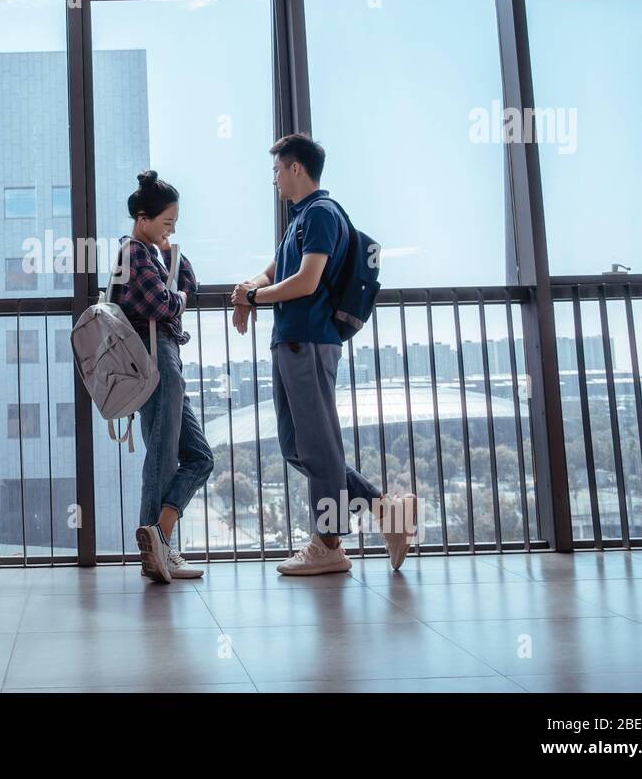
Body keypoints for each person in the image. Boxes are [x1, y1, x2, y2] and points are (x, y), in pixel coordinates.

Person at [231, 134, 417, 575]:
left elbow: (306, 281)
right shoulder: (299, 221)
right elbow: (274, 271)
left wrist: (255, 300)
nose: (274, 179)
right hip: (291, 340)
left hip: (308, 340)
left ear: (296, 169)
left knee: (318, 445)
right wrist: (246, 289)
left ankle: (329, 542)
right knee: (299, 446)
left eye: (277, 170)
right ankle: (385, 510)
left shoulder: (320, 215)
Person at [110, 170, 215, 583]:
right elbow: (164, 304)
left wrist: (172, 256)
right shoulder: (133, 252)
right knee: (162, 453)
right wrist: (180, 297)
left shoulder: (150, 253)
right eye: (166, 222)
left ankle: (157, 540)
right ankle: (157, 547)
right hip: (155, 357)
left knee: (198, 457)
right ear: (142, 217)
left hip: (160, 355)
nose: (171, 230)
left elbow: (188, 283)